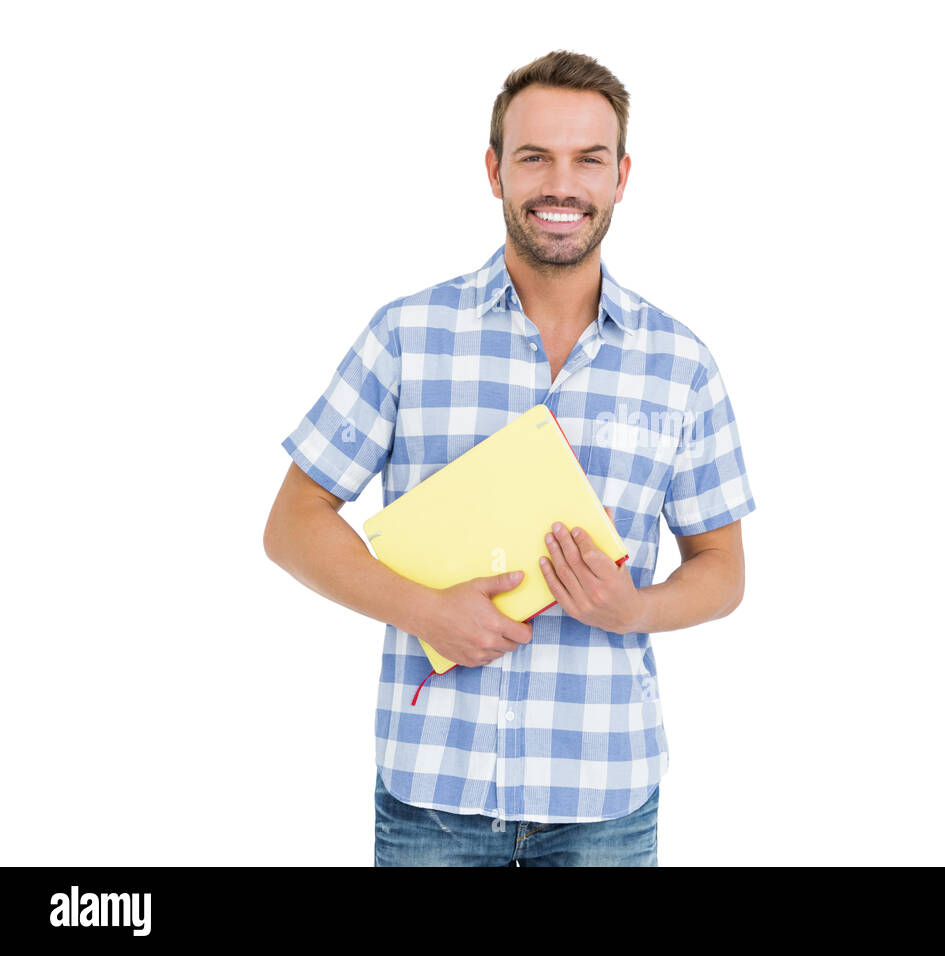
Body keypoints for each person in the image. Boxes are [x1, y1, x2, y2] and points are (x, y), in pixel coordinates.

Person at [263, 49, 756, 867]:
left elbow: (724, 568)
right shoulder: (406, 336)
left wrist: (635, 609)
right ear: (494, 171)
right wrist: (422, 609)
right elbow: (291, 524)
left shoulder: (683, 363)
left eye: (588, 159)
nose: (561, 184)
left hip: (606, 799)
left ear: (622, 176)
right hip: (434, 795)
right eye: (534, 157)